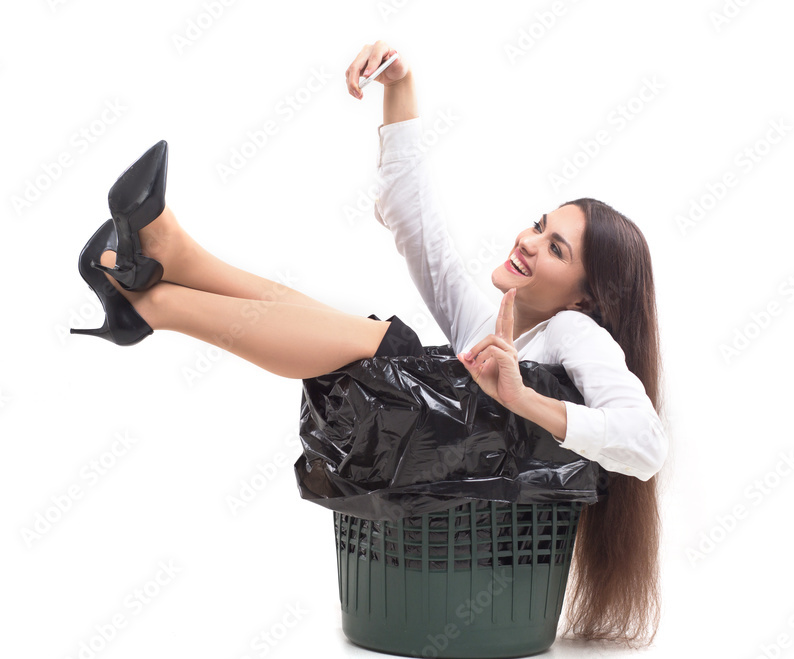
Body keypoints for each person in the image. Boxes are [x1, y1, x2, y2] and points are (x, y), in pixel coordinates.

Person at [72, 41, 668, 647]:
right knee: (359, 341)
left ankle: (153, 300)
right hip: (428, 552)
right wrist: (399, 86)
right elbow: (419, 228)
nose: (531, 241)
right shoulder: (494, 331)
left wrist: (522, 400)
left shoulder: (575, 332)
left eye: (557, 249)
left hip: (474, 571)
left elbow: (646, 446)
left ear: (584, 298)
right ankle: (172, 263)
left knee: (385, 347)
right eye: (541, 225)